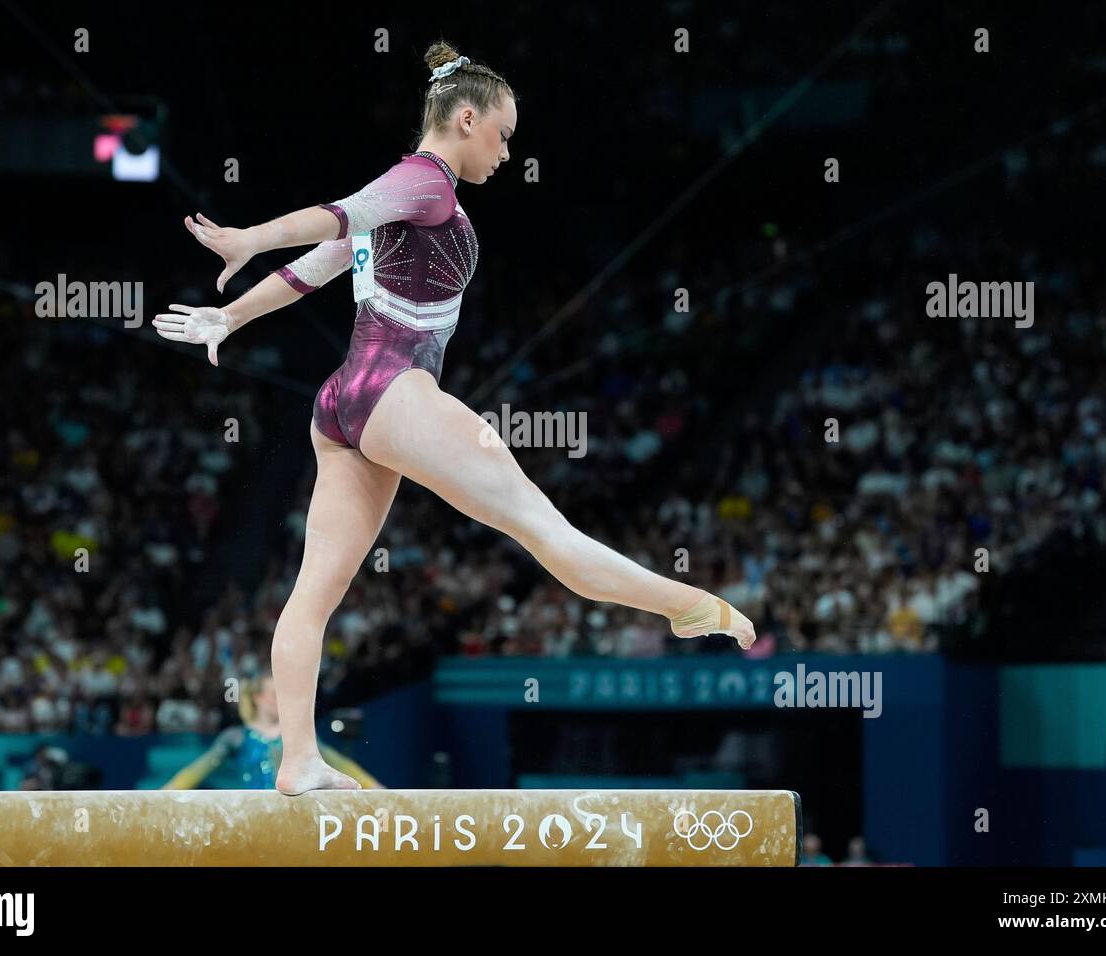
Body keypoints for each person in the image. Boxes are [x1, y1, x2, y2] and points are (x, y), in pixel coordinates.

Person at [154, 41, 755, 794]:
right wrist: (249, 238)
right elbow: (333, 218)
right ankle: (687, 607)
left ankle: (300, 761)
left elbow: (317, 269)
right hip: (396, 389)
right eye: (502, 135)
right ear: (464, 118)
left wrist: (230, 319)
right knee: (547, 533)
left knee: (312, 598)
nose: (507, 152)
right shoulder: (426, 182)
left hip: (342, 402)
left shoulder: (411, 199)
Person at [162, 670, 380, 790]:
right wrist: (164, 794)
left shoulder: (298, 736)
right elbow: (197, 769)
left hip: (290, 813)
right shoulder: (235, 737)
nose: (281, 700)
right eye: (275, 694)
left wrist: (375, 787)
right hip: (254, 814)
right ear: (257, 698)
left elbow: (338, 762)